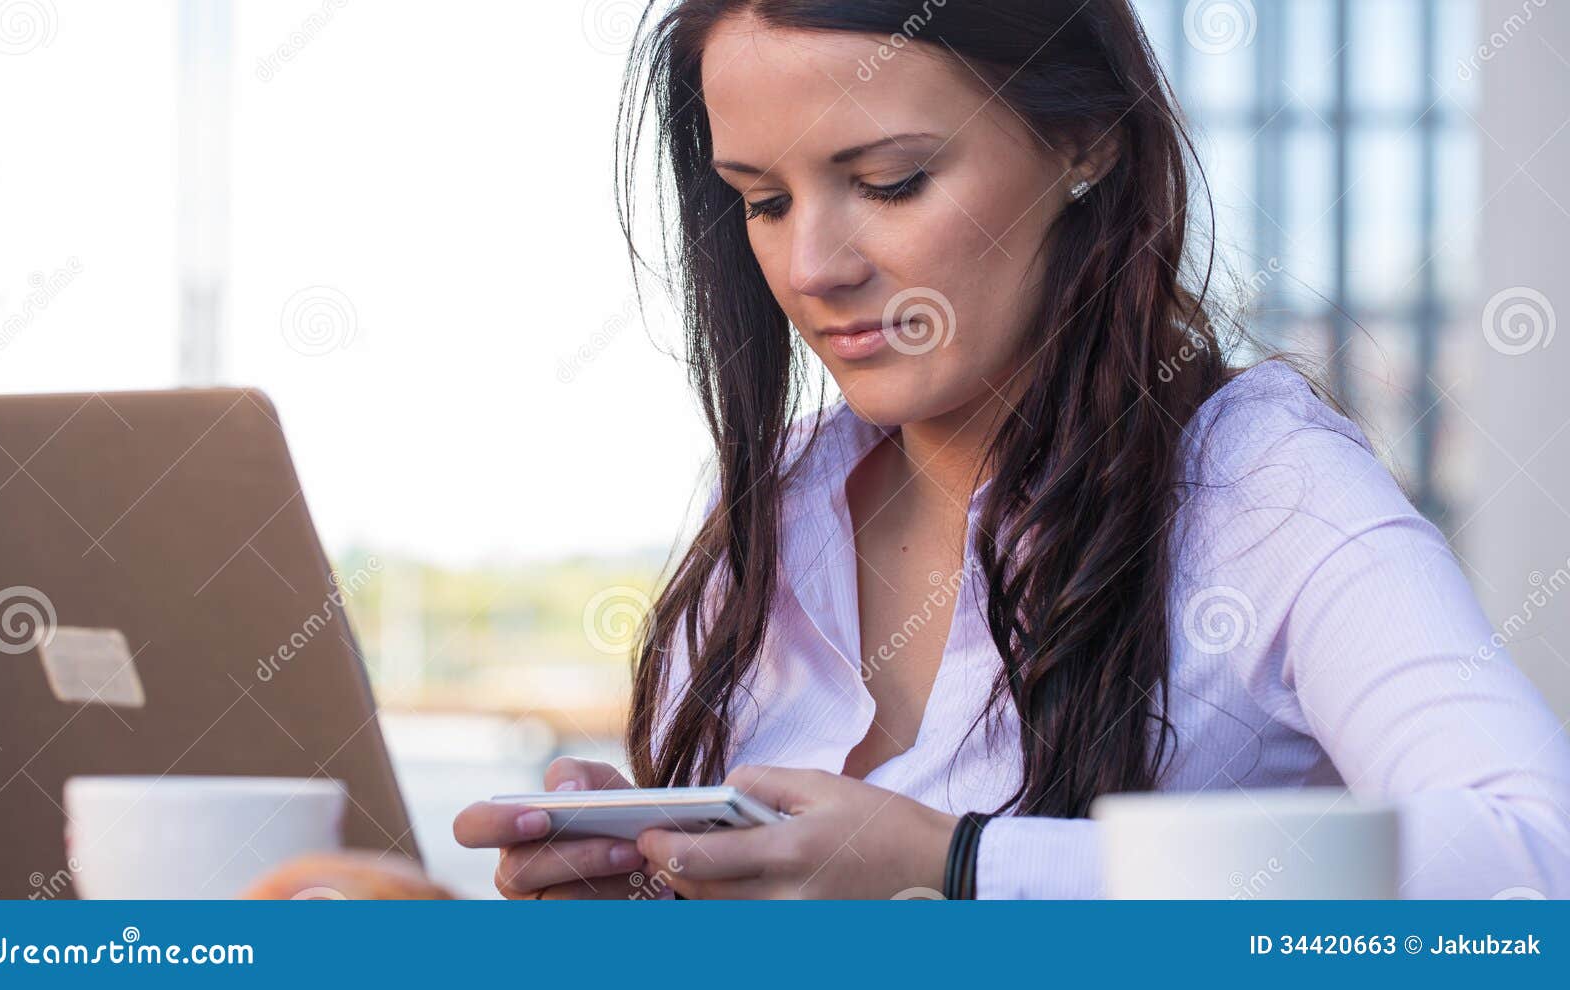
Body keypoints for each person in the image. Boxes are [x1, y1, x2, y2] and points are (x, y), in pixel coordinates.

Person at [453, 0, 1570, 899]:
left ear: (1085, 139)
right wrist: (654, 893)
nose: (810, 268)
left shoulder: (1265, 483)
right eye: (763, 201)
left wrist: (962, 868)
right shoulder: (772, 500)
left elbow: (1538, 861)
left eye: (888, 183)